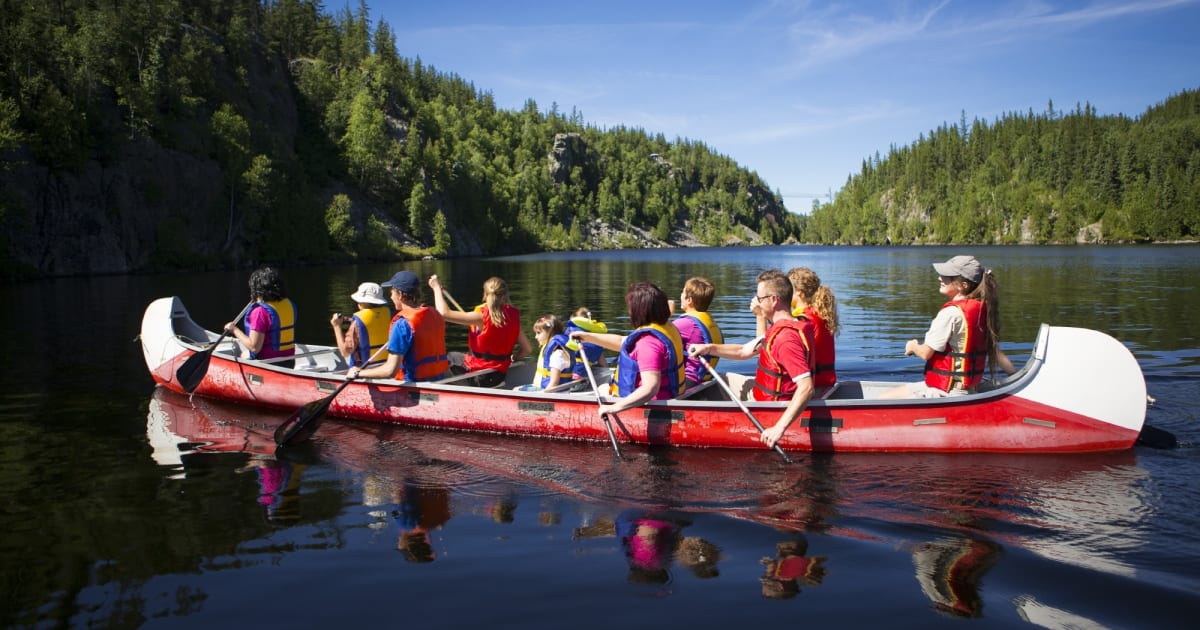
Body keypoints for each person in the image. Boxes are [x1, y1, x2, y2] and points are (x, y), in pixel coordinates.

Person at [688, 270, 816, 449]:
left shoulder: (786, 339)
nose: (757, 302)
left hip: (771, 406)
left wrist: (779, 428)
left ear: (774, 300)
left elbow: (807, 387)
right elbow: (743, 351)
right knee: (724, 379)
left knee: (713, 388)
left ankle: (703, 428)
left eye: (760, 297)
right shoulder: (787, 325)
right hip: (766, 395)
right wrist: (708, 348)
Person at [881, 255, 1016, 399]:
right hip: (969, 388)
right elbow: (995, 351)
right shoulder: (982, 309)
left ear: (963, 285)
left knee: (882, 399)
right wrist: (1014, 375)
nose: (940, 278)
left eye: (947, 276)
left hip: (949, 391)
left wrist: (912, 346)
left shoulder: (950, 314)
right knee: (887, 396)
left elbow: (926, 353)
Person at [570, 282, 686, 417]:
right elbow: (622, 342)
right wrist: (588, 337)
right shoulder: (666, 328)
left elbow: (650, 388)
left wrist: (614, 408)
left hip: (651, 406)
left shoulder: (648, 343)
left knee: (601, 389)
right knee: (603, 387)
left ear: (638, 311)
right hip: (670, 396)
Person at [428, 274, 533, 388]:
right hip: (499, 376)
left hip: (480, 378)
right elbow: (527, 349)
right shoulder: (512, 317)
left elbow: (443, 313)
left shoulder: (480, 317)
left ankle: (442, 390)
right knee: (458, 357)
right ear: (505, 296)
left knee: (448, 357)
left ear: (485, 294)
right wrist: (514, 358)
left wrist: (436, 288)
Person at [350, 271, 449, 382]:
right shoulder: (435, 314)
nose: (391, 296)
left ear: (400, 295)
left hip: (414, 386)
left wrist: (358, 372)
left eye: (392, 292)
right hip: (439, 380)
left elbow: (390, 371)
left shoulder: (402, 323)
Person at [225, 266, 296, 368]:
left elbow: (254, 347)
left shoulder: (260, 312)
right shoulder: (289, 304)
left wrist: (234, 330)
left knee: (243, 355)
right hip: (289, 362)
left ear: (256, 289)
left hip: (268, 365)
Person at [786, 267, 840, 393]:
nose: (785, 293)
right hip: (825, 384)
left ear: (799, 292)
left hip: (812, 387)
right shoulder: (819, 315)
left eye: (788, 290)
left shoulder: (803, 320)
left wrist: (761, 317)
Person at [672, 276, 724, 390]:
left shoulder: (685, 324)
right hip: (705, 380)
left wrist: (665, 315)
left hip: (687, 382)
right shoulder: (712, 323)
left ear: (689, 300)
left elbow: (655, 336)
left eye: (682, 292)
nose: (680, 295)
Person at [330, 281, 391, 368]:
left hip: (364, 369)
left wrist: (336, 326)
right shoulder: (388, 314)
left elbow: (345, 352)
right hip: (385, 366)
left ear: (363, 302)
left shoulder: (358, 321)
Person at [519, 314, 578, 391]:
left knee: (516, 390)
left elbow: (554, 383)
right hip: (544, 386)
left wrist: (543, 396)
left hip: (554, 391)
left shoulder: (557, 352)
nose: (535, 337)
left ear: (550, 331)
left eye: (539, 333)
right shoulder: (552, 346)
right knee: (519, 388)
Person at [565, 307, 608, 381]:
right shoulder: (595, 339)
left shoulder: (570, 334)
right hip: (582, 377)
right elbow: (604, 364)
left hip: (567, 377)